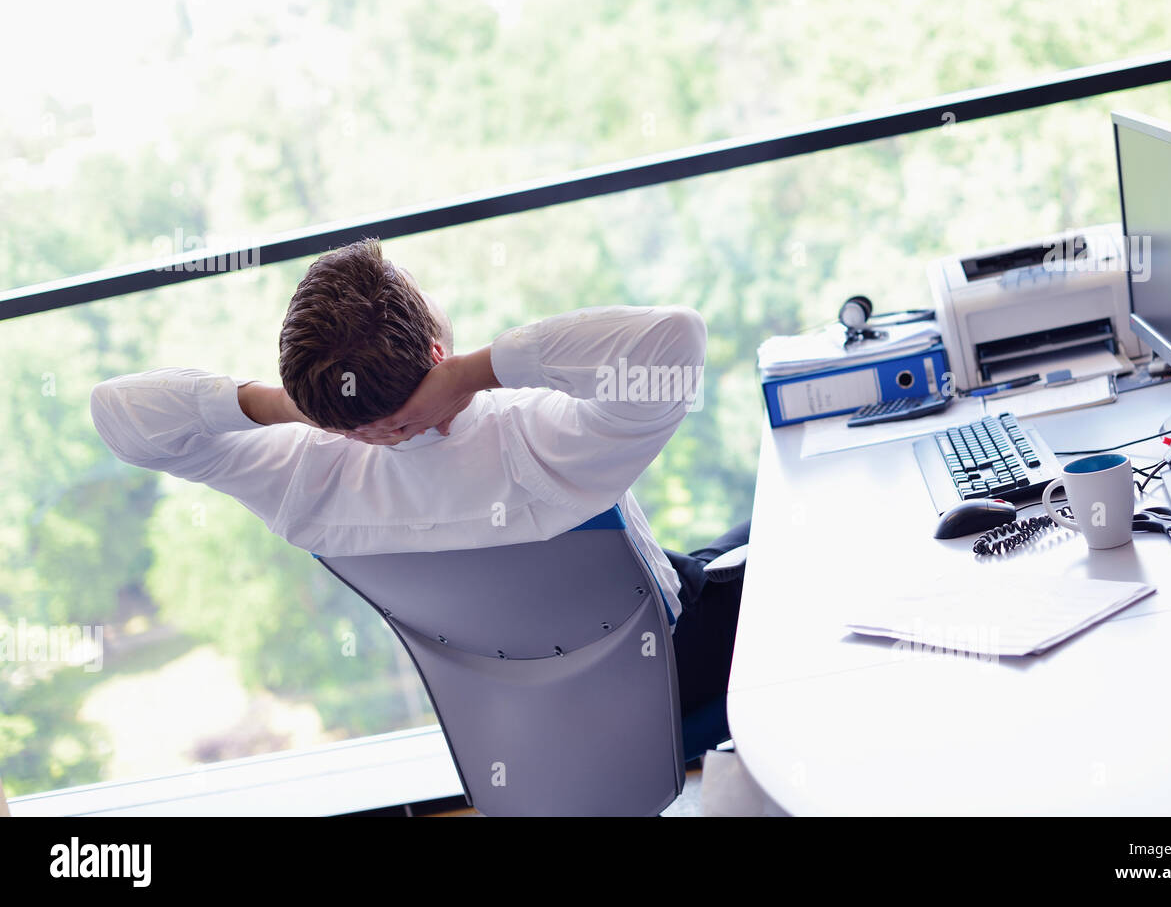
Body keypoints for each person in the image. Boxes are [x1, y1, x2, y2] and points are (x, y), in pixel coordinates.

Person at [90, 238, 748, 725]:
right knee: (807, 529)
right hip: (666, 666)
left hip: (506, 712)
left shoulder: (296, 478)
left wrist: (287, 407)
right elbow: (674, 341)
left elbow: (116, 415)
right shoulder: (535, 438)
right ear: (436, 352)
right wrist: (471, 376)